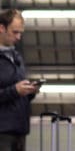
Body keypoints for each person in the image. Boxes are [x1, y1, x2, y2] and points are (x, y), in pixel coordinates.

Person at [0, 9, 39, 151]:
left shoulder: (16, 56)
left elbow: (17, 91)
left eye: (21, 33)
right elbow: (12, 91)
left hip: (19, 131)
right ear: (2, 28)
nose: (19, 37)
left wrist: (29, 91)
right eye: (15, 32)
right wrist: (15, 91)